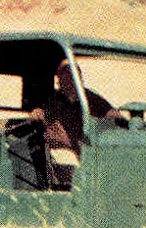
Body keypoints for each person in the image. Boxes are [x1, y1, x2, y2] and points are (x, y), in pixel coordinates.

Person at [37, 59, 115, 188]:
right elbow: (42, 118)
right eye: (62, 74)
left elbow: (115, 123)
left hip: (88, 166)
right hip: (56, 163)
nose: (66, 79)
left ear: (79, 77)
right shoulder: (53, 101)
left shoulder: (94, 101)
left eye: (70, 74)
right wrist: (38, 114)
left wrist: (69, 143)